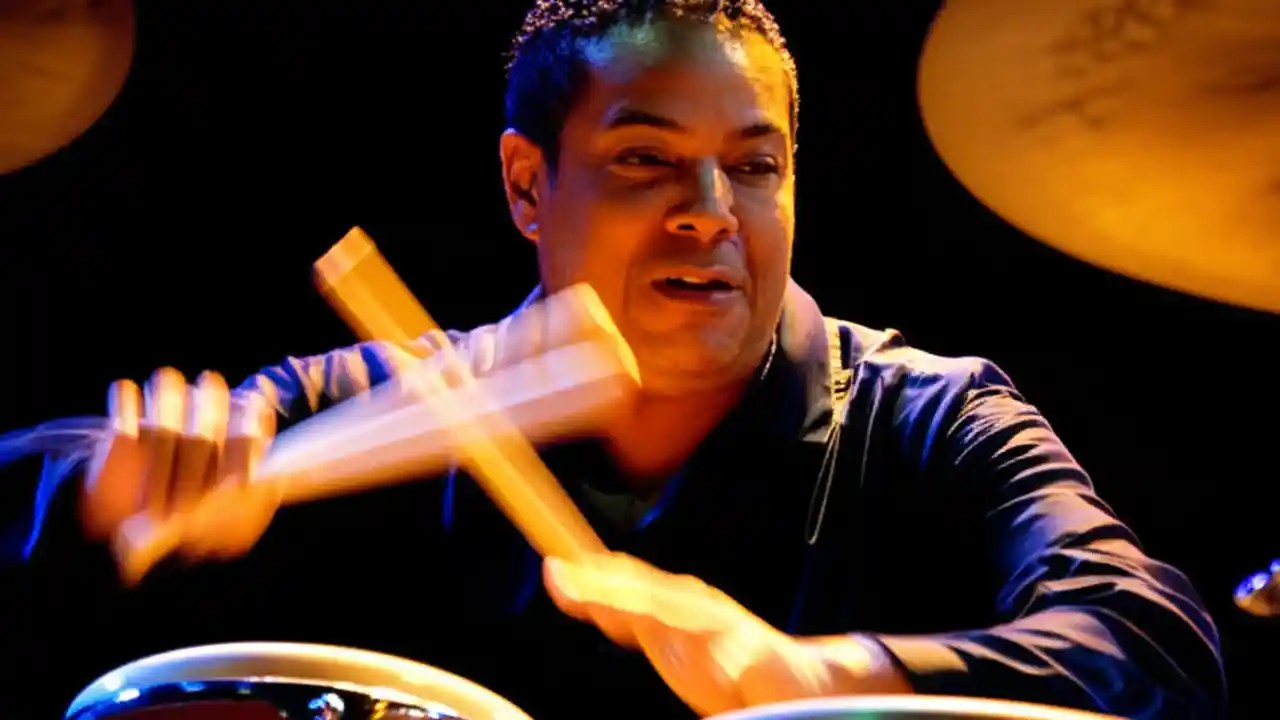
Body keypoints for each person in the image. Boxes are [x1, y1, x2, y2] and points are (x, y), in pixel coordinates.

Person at [0, 1, 1228, 718]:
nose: (709, 210)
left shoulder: (931, 419)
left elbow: (1153, 640)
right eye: (646, 160)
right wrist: (116, 480)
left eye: (753, 166)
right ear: (527, 185)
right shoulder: (407, 394)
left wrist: (821, 675)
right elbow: (43, 477)